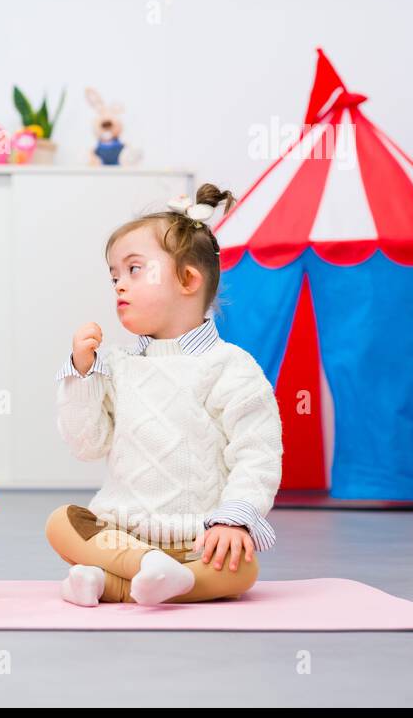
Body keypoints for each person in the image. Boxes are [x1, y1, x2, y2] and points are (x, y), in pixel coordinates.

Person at [45, 183, 283, 605]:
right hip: (122, 534)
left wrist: (233, 521)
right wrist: (82, 376)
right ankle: (151, 572)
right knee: (61, 522)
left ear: (188, 279)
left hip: (199, 541)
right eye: (114, 275)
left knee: (242, 569)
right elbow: (88, 444)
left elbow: (257, 454)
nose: (119, 285)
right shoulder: (116, 365)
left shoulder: (230, 367)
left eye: (134, 270)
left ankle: (112, 583)